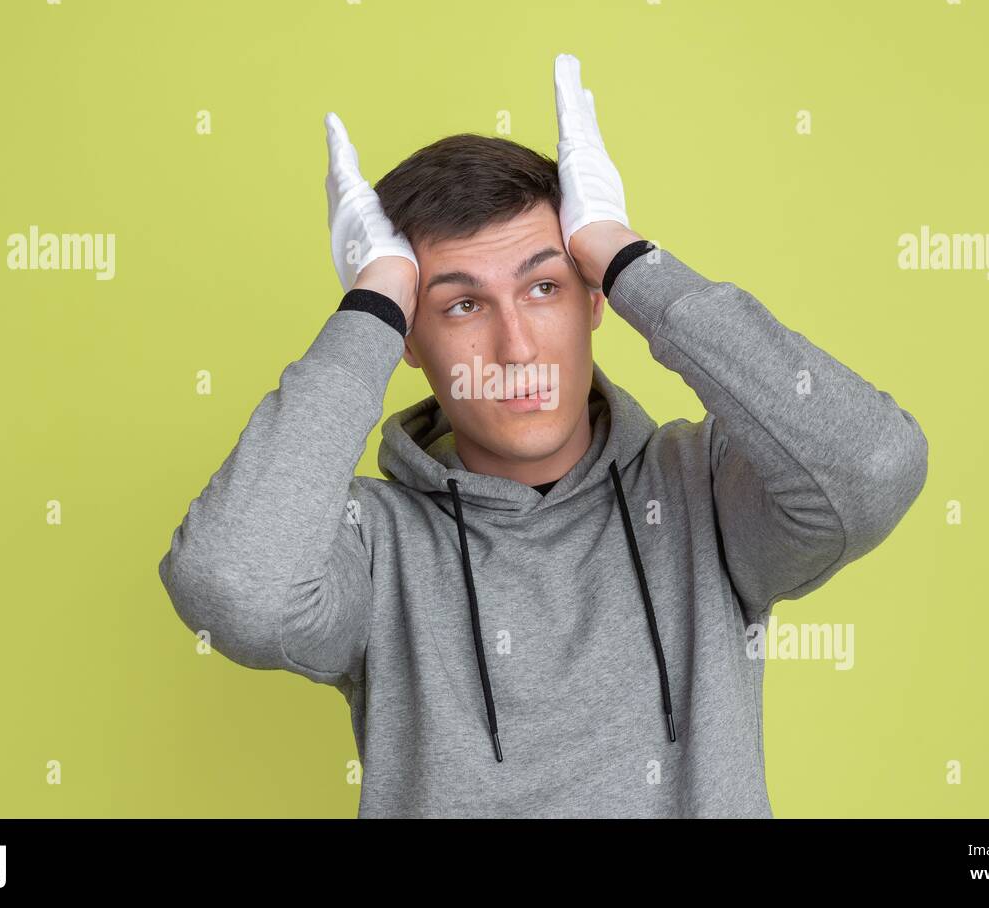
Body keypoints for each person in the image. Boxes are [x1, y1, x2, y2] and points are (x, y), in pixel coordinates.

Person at [157, 53, 929, 817]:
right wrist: (372, 304)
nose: (517, 348)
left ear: (595, 301)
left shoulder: (709, 490)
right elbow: (234, 589)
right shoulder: (369, 545)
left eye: (545, 287)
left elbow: (872, 463)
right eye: (461, 306)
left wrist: (625, 256)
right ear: (408, 339)